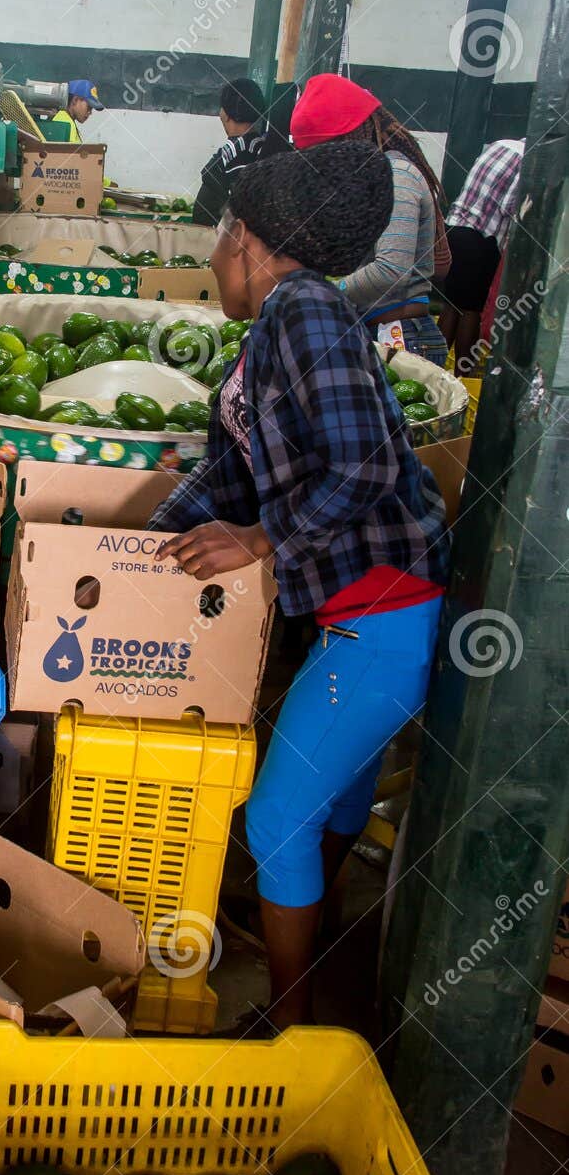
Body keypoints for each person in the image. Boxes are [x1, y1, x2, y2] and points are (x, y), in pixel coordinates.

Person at [150, 141, 449, 1032]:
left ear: (244, 235)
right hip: (355, 605)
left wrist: (255, 540)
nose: (210, 260)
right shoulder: (284, 319)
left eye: (216, 238)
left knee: (276, 817)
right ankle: (312, 941)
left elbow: (361, 462)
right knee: (339, 792)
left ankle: (288, 1026)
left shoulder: (304, 312)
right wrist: (144, 543)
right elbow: (240, 472)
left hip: (384, 606)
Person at [291, 73, 452, 366]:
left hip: (402, 341)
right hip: (372, 331)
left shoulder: (396, 177)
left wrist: (323, 292)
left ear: (352, 137)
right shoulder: (372, 178)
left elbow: (391, 270)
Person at [438, 138, 524, 374]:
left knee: (451, 305)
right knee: (471, 310)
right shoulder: (526, 160)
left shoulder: (501, 145)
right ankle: (463, 376)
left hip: (455, 229)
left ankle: (433, 371)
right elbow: (509, 206)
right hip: (481, 239)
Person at [193, 77, 268, 226]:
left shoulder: (242, 152)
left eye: (221, 108)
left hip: (220, 241)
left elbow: (240, 211)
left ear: (226, 114)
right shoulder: (250, 145)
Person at [51, 78, 104, 142]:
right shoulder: (64, 123)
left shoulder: (66, 119)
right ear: (75, 100)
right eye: (89, 107)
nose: (90, 112)